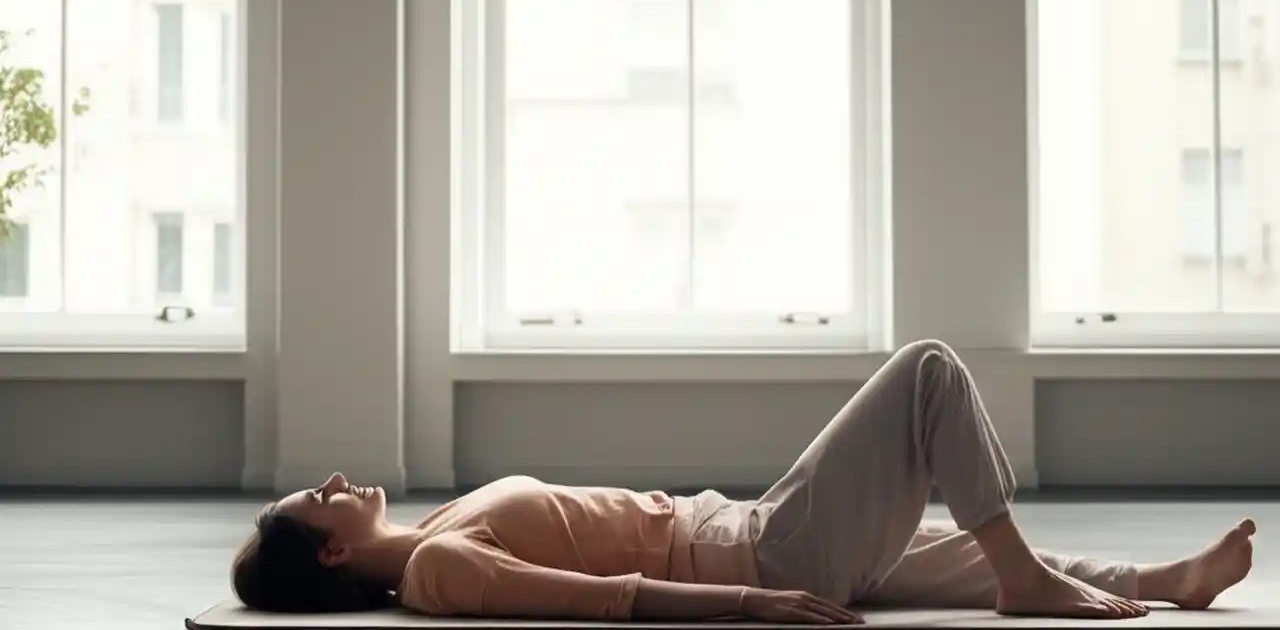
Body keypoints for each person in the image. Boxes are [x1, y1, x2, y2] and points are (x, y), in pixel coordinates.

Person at [231, 339, 1256, 624]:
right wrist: (749, 603)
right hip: (759, 553)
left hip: (753, 530)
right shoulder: (441, 568)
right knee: (927, 369)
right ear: (328, 549)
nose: (328, 479)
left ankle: (1166, 581)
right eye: (310, 498)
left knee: (956, 559)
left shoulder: (439, 527)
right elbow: (607, 602)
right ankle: (1024, 584)